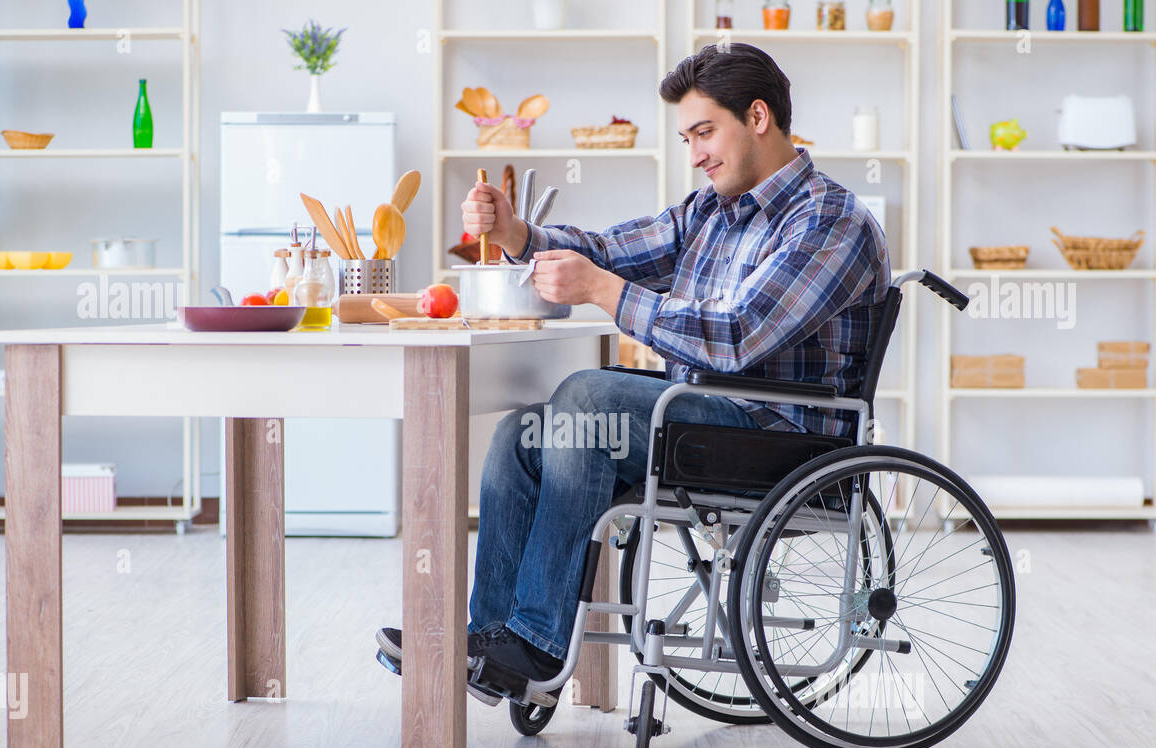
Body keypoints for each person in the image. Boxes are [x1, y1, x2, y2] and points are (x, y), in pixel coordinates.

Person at [376, 42, 890, 691]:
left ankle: (535, 642)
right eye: (688, 138)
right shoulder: (712, 210)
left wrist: (603, 292)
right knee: (521, 436)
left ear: (758, 116)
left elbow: (735, 337)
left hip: (782, 442)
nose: (697, 153)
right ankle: (493, 636)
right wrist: (518, 235)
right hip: (703, 417)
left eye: (705, 132)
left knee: (588, 401)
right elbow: (612, 249)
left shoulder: (829, 221)